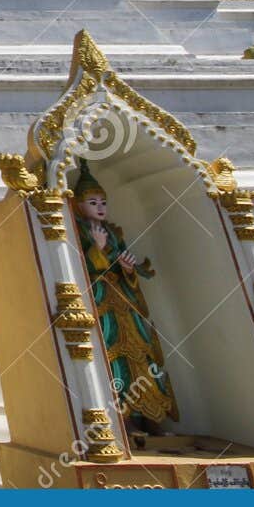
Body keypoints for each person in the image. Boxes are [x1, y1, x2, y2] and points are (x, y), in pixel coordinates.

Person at [71, 166, 179, 427]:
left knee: (141, 354)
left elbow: (125, 270)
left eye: (103, 203)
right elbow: (80, 267)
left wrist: (128, 269)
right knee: (109, 355)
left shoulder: (114, 234)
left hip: (124, 302)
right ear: (78, 205)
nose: (100, 207)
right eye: (93, 202)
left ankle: (149, 414)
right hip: (100, 302)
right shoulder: (77, 232)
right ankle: (119, 416)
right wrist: (95, 249)